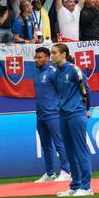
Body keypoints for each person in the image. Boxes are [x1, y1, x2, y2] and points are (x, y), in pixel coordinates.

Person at [52, 42, 94, 197]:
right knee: (69, 152)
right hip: (63, 115)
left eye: (54, 53)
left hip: (76, 114)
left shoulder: (74, 69)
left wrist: (87, 109)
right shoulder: (56, 73)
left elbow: (85, 90)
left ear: (63, 54)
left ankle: (87, 187)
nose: (52, 56)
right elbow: (59, 93)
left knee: (80, 150)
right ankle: (75, 185)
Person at [29, 46, 68, 183]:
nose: (37, 60)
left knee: (59, 143)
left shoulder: (53, 72)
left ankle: (66, 171)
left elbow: (62, 90)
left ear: (47, 58)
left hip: (53, 114)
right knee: (46, 145)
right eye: (36, 57)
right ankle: (50, 173)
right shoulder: (36, 74)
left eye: (40, 57)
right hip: (40, 115)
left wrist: (60, 107)